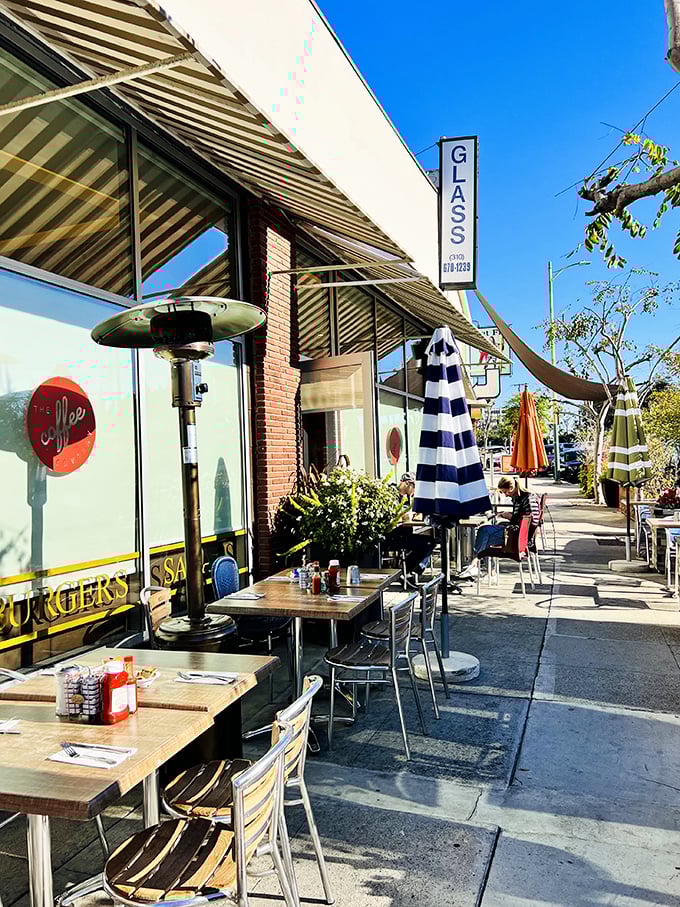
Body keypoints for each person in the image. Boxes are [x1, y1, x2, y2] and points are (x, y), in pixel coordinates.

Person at [457, 477, 540, 579]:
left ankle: (476, 564)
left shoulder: (527, 498)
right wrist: (508, 516)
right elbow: (524, 518)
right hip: (519, 535)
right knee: (484, 537)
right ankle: (485, 569)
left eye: (505, 492)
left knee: (484, 532)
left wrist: (510, 517)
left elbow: (532, 521)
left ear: (511, 488)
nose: (505, 495)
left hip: (519, 538)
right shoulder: (521, 497)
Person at [384, 472, 436, 578]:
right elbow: (399, 516)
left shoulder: (406, 497)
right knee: (427, 544)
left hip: (402, 534)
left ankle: (412, 571)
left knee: (430, 542)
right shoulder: (391, 494)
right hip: (391, 537)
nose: (415, 490)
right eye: (414, 486)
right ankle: (407, 572)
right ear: (407, 483)